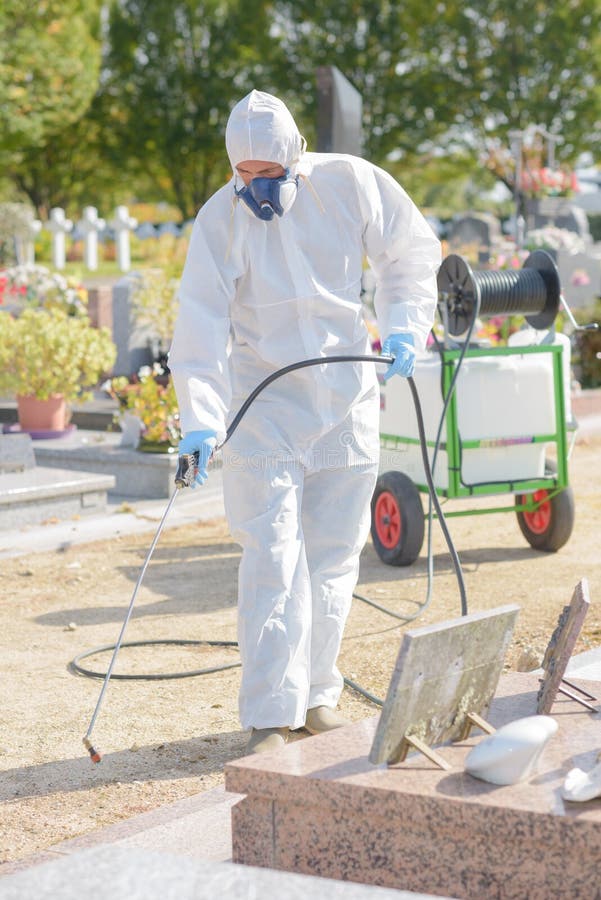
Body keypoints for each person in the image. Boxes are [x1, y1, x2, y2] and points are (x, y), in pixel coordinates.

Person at [168, 89, 441, 754]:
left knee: (334, 557)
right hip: (264, 409)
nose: (259, 188)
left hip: (344, 396)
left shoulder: (349, 183)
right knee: (272, 557)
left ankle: (318, 694)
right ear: (233, 169)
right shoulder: (219, 222)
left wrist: (405, 328)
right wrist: (201, 420)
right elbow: (199, 319)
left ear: (295, 158)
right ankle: (268, 714)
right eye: (245, 176)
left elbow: (409, 251)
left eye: (270, 174)